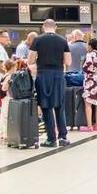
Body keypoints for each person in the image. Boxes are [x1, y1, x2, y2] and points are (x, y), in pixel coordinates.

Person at [29, 18, 71, 148]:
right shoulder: (63, 40)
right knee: (60, 106)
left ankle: (51, 139)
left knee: (46, 107)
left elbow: (30, 60)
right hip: (58, 75)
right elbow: (68, 61)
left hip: (43, 75)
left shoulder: (37, 40)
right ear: (55, 27)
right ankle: (63, 137)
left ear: (43, 27)